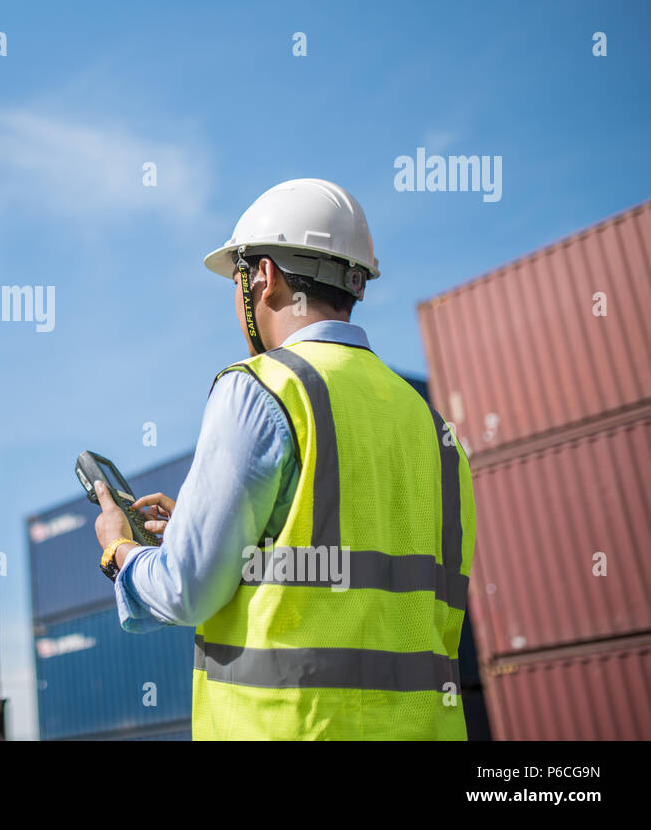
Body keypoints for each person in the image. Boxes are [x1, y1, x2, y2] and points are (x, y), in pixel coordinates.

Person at [92, 178, 476, 739]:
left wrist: (119, 550)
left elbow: (184, 590)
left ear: (263, 277)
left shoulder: (261, 388)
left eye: (238, 279)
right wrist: (242, 544)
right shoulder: (434, 426)